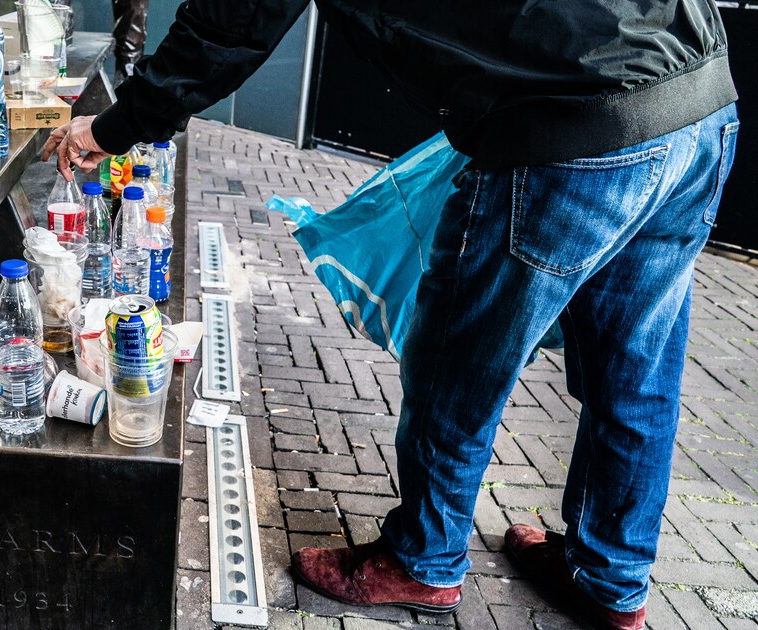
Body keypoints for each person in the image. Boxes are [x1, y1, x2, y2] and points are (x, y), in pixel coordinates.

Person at [41, 1, 740, 628]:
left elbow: (231, 21)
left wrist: (111, 127)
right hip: (696, 100)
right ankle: (611, 580)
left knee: (456, 365)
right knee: (635, 373)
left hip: (573, 126)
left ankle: (424, 562)